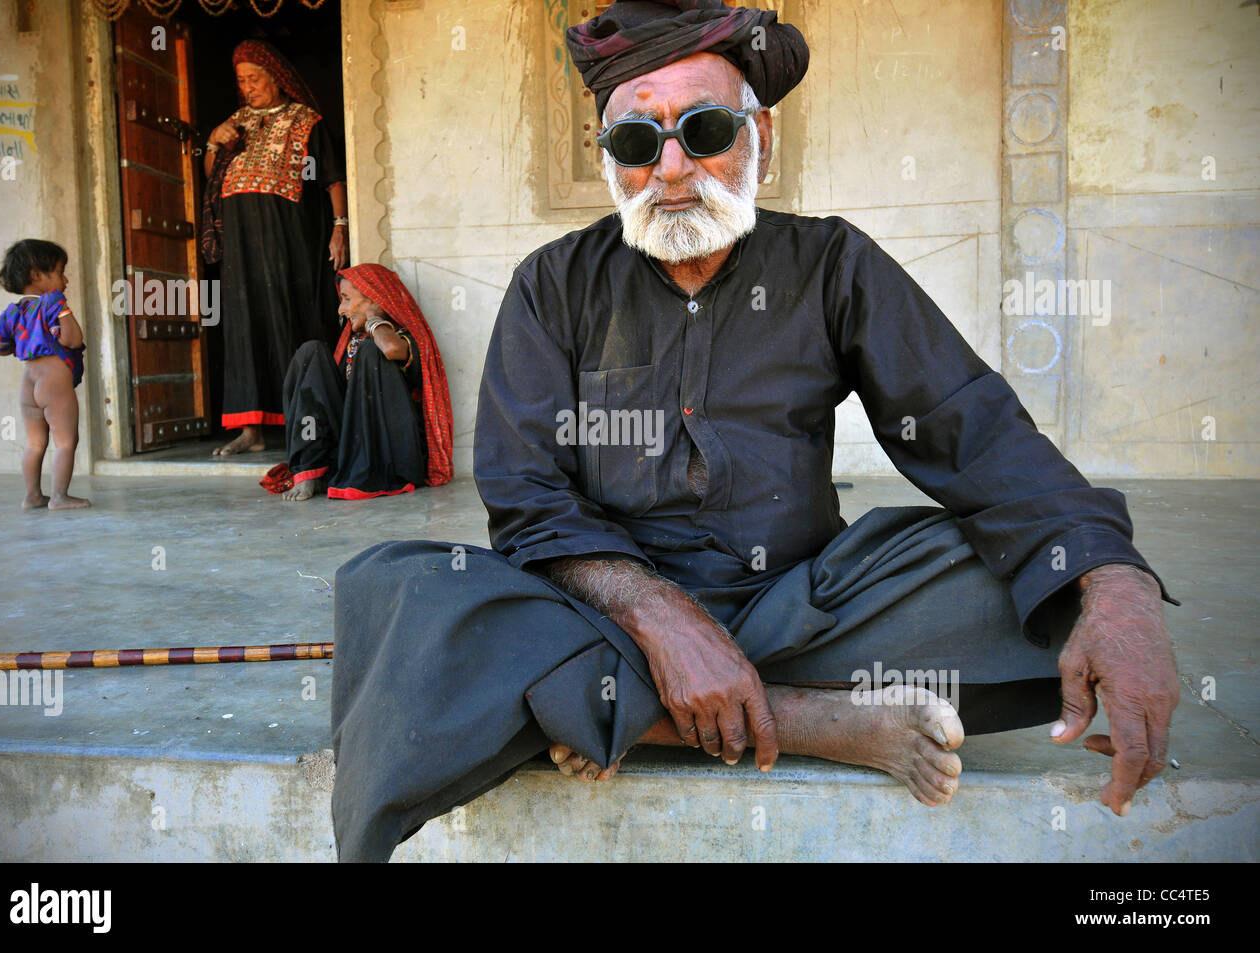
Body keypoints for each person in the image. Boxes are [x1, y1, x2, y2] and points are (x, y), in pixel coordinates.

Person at [328, 0, 1181, 862]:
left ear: (759, 135)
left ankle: (627, 710)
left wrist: (1117, 590)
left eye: (704, 131)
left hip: (806, 609)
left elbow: (977, 433)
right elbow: (525, 498)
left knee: (1017, 565)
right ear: (607, 160)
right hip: (608, 611)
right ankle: (809, 719)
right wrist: (664, 618)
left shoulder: (833, 264)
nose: (669, 168)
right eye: (636, 142)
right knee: (401, 591)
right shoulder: (553, 284)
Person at [202, 39, 348, 456]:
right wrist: (213, 142)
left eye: (254, 79)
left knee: (289, 317)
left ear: (276, 78)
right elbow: (213, 178)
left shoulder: (307, 121)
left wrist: (340, 226)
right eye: (242, 81)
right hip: (241, 244)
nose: (248, 87)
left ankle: (304, 422)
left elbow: (333, 179)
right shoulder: (236, 123)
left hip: (289, 241)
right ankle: (250, 429)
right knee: (244, 324)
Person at [263, 264, 454, 501]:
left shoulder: (404, 336)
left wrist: (374, 317)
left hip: (391, 454)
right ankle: (309, 468)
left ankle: (368, 472)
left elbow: (391, 348)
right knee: (310, 353)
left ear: (374, 298)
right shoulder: (352, 342)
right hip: (351, 445)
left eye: (346, 299)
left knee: (370, 351)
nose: (341, 309)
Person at [0, 239, 90, 511]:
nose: (65, 279)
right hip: (54, 380)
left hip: (28, 381)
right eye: (59, 272)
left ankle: (32, 496)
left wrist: (25, 343)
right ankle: (59, 497)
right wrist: (64, 309)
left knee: (34, 442)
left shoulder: (13, 312)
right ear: (37, 276)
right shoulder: (53, 303)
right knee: (67, 441)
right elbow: (72, 339)